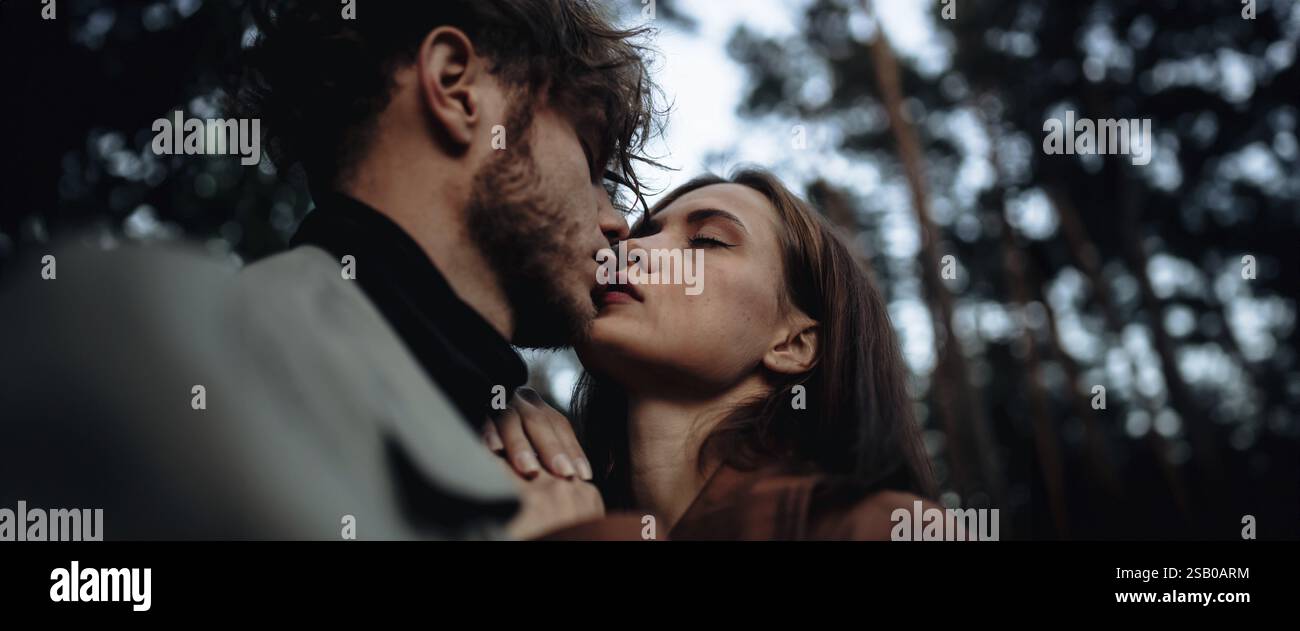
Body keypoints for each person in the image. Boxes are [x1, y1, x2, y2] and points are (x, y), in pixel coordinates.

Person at [0, 0, 661, 540]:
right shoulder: (137, 343)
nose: (617, 223)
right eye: (591, 157)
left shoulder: (543, 453)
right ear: (456, 88)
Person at [489, 169, 942, 540]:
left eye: (707, 241)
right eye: (644, 232)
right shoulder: (527, 486)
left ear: (792, 344)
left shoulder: (888, 529)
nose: (629, 249)